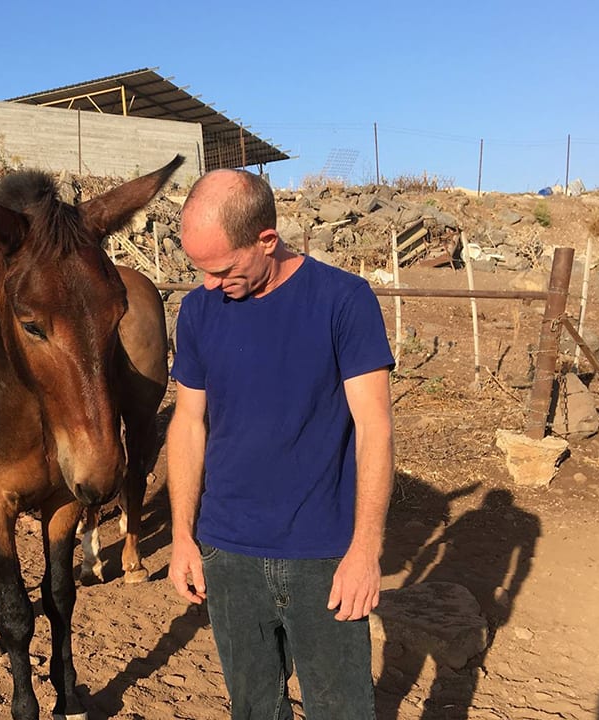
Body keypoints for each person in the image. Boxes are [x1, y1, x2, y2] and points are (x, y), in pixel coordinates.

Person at [166, 169, 395, 720]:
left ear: (267, 239)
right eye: (200, 269)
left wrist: (365, 551)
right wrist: (181, 537)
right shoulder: (199, 310)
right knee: (253, 710)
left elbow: (375, 428)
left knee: (342, 711)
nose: (210, 285)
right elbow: (187, 423)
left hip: (323, 555)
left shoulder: (344, 301)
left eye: (222, 269)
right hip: (227, 553)